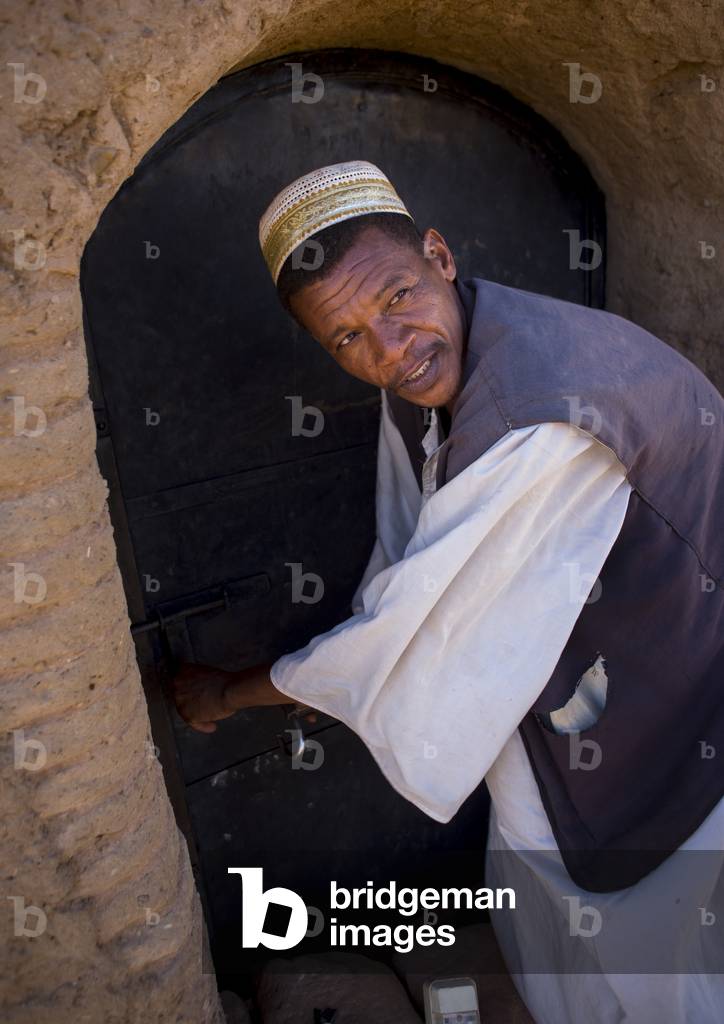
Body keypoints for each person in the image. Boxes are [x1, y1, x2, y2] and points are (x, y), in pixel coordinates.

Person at [173, 161, 724, 1021]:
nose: (389, 349)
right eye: (346, 338)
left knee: (657, 938)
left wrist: (229, 694)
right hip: (591, 677)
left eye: (396, 297)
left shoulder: (539, 418)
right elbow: (415, 540)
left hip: (666, 694)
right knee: (562, 888)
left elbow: (414, 629)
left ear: (438, 255)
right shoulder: (453, 354)